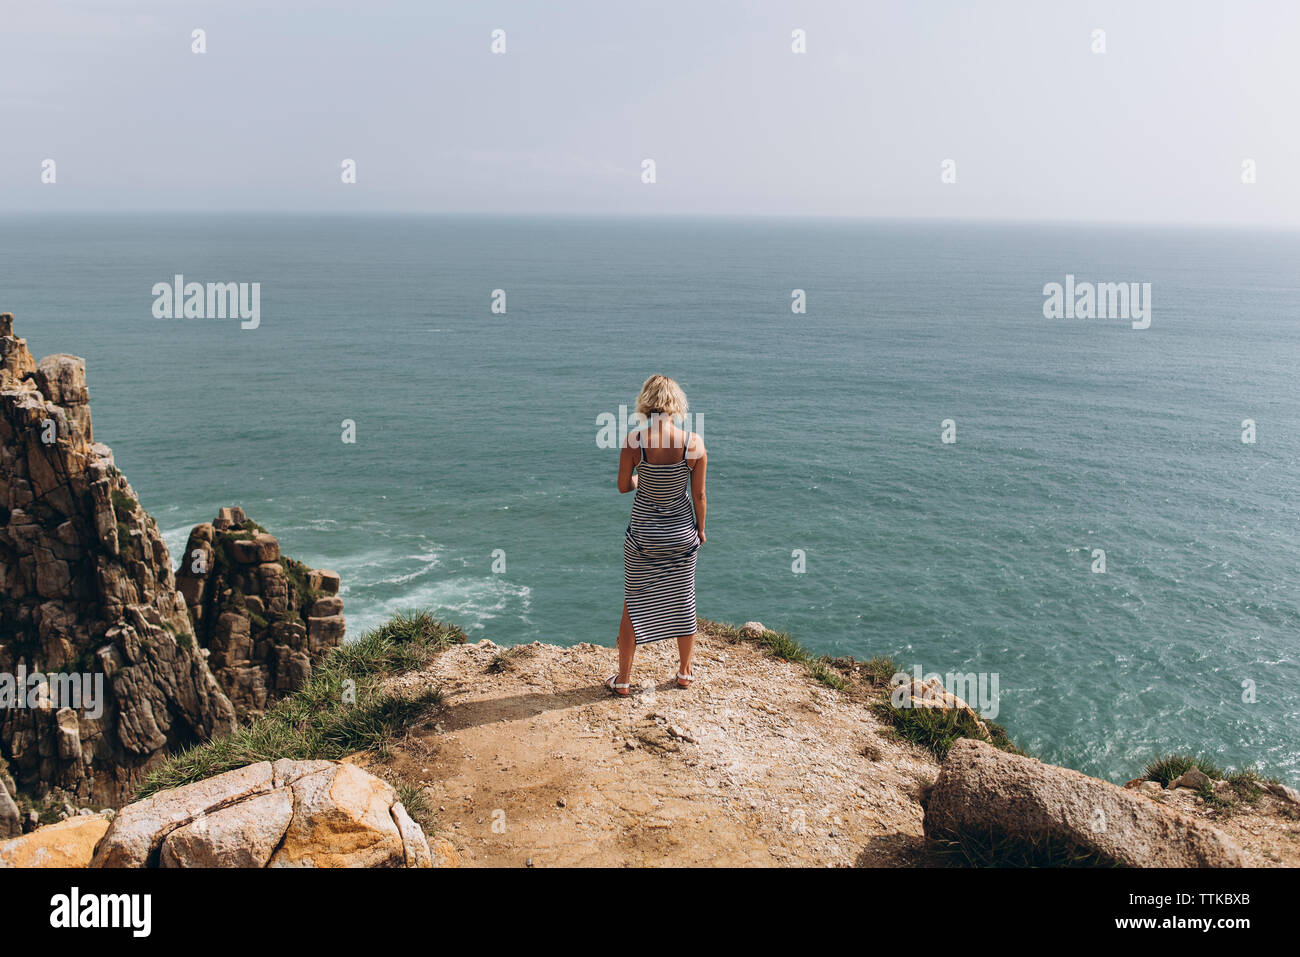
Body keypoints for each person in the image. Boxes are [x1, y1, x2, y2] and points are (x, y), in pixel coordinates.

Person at [607, 374, 707, 696]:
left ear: (646, 404)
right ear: (676, 405)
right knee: (684, 601)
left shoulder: (634, 442)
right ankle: (684, 673)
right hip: (681, 536)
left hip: (643, 538)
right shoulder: (693, 444)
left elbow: (624, 486)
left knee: (632, 602)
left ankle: (623, 680)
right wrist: (701, 530)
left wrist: (641, 481)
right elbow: (700, 495)